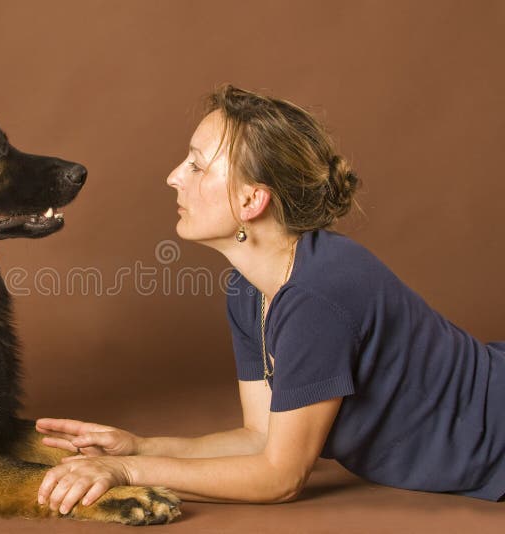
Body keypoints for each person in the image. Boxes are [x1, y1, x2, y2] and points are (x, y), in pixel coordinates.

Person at [34, 85, 505, 515]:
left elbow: (280, 476)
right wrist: (139, 447)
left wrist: (129, 473)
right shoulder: (249, 288)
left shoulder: (316, 294)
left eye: (197, 165)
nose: (174, 176)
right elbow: (260, 436)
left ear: (252, 201)